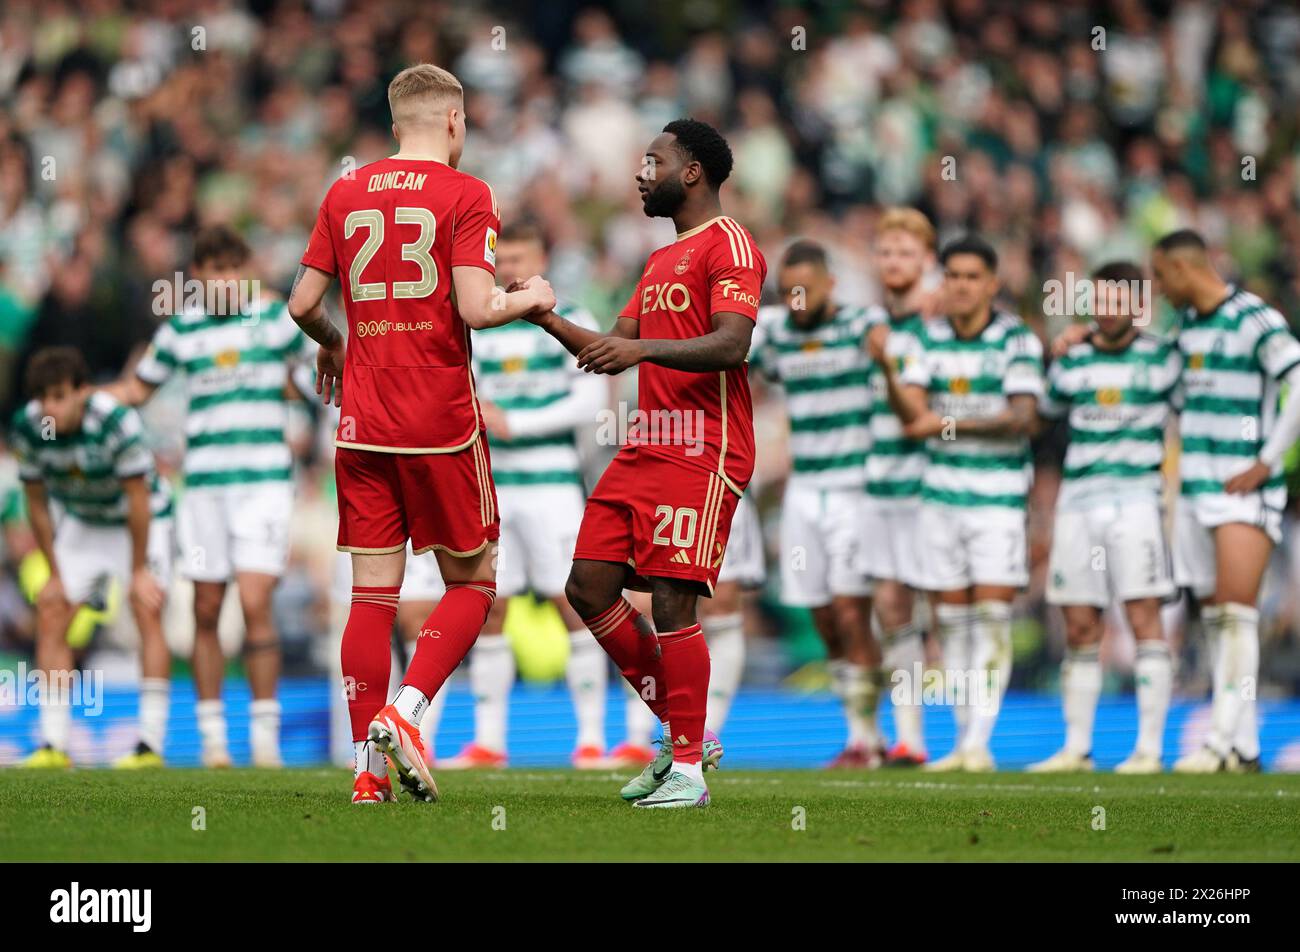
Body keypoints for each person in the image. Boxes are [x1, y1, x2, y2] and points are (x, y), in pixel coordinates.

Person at [287, 63, 554, 804]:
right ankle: (405, 715)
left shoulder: (343, 192)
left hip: (362, 423)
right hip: (437, 421)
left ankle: (366, 776)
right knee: (476, 580)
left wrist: (336, 343)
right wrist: (529, 295)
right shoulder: (467, 194)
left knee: (371, 598)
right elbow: (475, 306)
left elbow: (302, 302)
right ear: (454, 123)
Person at [526, 119, 766, 808]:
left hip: (705, 444)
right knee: (588, 586)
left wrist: (643, 353)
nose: (639, 172)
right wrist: (544, 316)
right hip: (646, 444)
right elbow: (610, 348)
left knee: (670, 597)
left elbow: (732, 345)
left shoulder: (732, 245)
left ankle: (686, 769)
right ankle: (688, 734)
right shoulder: (659, 262)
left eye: (652, 160)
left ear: (691, 172)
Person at [116, 225, 313, 767]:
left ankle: (265, 739)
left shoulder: (274, 320)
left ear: (245, 272)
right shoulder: (180, 330)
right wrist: (81, 398)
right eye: (213, 271)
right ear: (197, 278)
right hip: (204, 488)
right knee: (207, 607)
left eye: (232, 269)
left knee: (255, 601)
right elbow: (137, 389)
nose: (224, 280)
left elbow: (326, 361)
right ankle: (213, 740)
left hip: (264, 484)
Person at [438, 220, 608, 769]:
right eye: (500, 259)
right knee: (490, 607)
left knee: (573, 604)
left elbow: (592, 403)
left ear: (541, 259)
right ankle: (489, 742)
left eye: (518, 258)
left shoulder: (572, 318)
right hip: (492, 490)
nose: (508, 269)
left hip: (554, 486)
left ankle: (590, 740)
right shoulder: (477, 323)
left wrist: (516, 421)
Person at [876, 235, 1043, 773]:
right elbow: (913, 415)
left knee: (991, 619)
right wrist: (886, 369)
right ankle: (963, 741)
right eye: (953, 276)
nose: (962, 286)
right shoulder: (926, 337)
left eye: (973, 277)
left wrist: (945, 424)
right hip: (940, 500)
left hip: (996, 502)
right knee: (950, 624)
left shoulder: (1017, 340)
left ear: (992, 284)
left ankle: (978, 742)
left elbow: (1022, 418)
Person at [1151, 231, 1300, 773]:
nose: (1159, 289)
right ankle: (1244, 745)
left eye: (1161, 276)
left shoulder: (1253, 318)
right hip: (1194, 488)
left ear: (1182, 268)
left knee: (1237, 614)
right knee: (1216, 619)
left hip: (1243, 489)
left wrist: (1269, 458)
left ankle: (1218, 742)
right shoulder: (1186, 327)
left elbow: (1298, 380)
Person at [1027, 262, 1179, 774]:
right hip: (1078, 502)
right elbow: (1044, 419)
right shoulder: (1071, 359)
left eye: (1119, 300)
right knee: (1079, 623)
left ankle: (1150, 751)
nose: (1108, 310)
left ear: (1138, 305)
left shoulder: (1164, 359)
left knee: (1143, 618)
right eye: (1100, 300)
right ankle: (1076, 749)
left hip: (1137, 501)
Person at [751, 239, 884, 767]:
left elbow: (897, 347)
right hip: (804, 489)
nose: (797, 302)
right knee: (824, 613)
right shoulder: (776, 330)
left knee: (853, 611)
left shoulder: (861, 326)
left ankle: (867, 737)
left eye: (806, 290)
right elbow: (727, 348)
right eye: (788, 293)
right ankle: (857, 731)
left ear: (831, 283)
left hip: (855, 488)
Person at [12, 347, 174, 768]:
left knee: (145, 607)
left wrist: (138, 571)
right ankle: (53, 744)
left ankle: (149, 746)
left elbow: (138, 501)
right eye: (43, 397)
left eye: (60, 396)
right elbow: (35, 503)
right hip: (85, 519)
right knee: (51, 607)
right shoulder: (31, 428)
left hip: (139, 519)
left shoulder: (117, 423)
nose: (50, 407)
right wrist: (53, 570)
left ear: (83, 391)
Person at [862, 208, 938, 766]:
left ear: (926, 262)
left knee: (949, 606)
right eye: (886, 252)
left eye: (905, 253)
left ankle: (968, 737)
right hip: (883, 485)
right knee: (891, 607)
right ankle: (908, 736)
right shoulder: (870, 325)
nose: (894, 262)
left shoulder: (940, 325)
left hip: (935, 485)